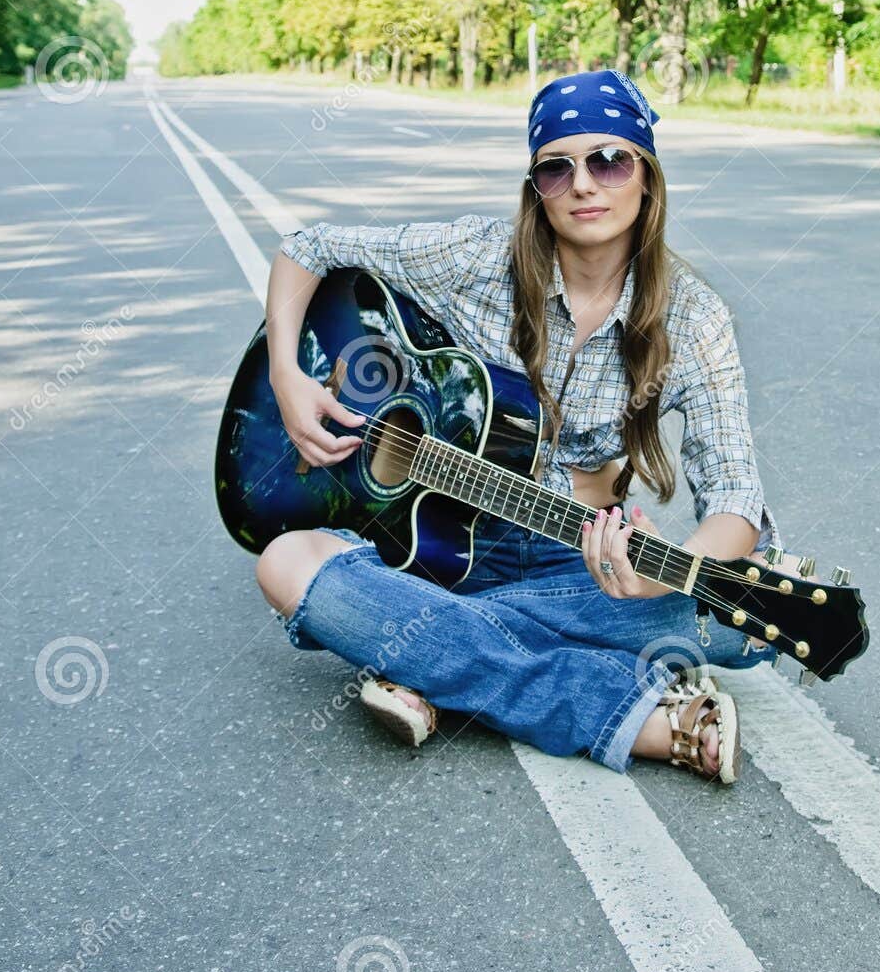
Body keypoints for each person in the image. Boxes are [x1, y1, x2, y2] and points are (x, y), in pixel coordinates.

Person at [255, 68, 780, 785]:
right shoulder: (477, 257)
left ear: (647, 176)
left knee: (743, 622)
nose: (584, 185)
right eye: (555, 169)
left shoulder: (693, 319)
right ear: (536, 188)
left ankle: (420, 652)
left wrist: (662, 579)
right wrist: (288, 377)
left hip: (580, 555)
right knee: (284, 562)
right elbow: (308, 247)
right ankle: (646, 723)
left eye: (608, 159)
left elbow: (734, 496)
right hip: (428, 541)